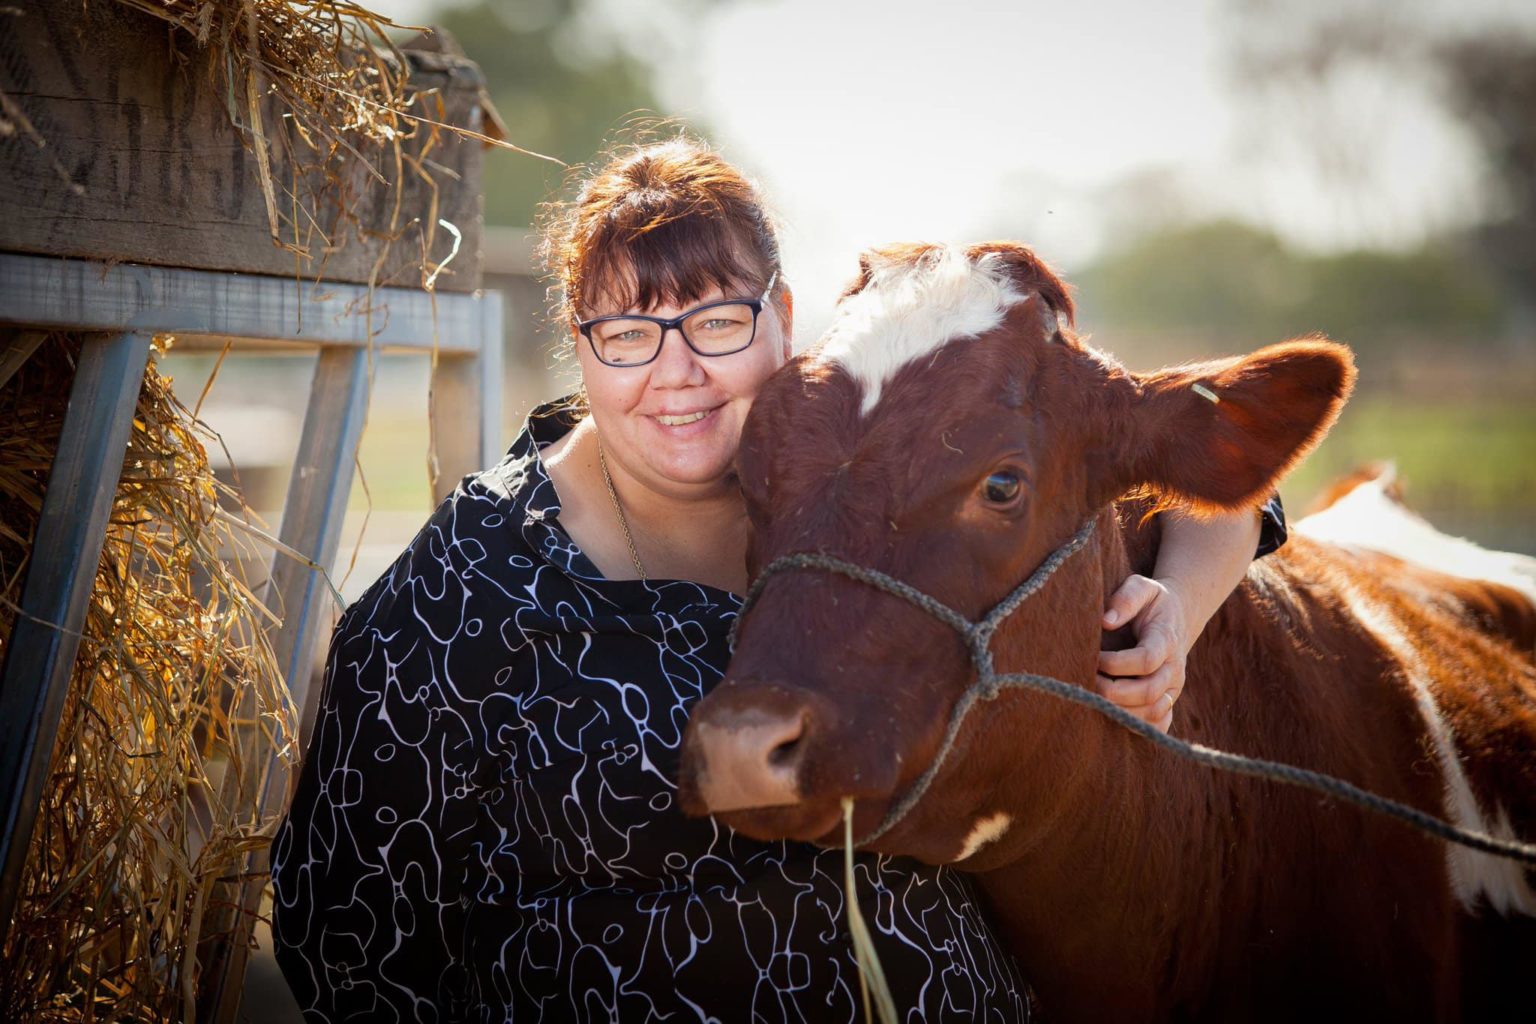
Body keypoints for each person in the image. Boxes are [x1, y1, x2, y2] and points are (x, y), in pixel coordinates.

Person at [269, 136, 1286, 1021]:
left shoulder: (854, 475)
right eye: (628, 334)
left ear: (781, 318)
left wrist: (1181, 613)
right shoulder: (465, 592)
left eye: (714, 321)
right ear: (579, 348)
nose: (677, 373)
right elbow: (348, 938)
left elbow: (1214, 484)